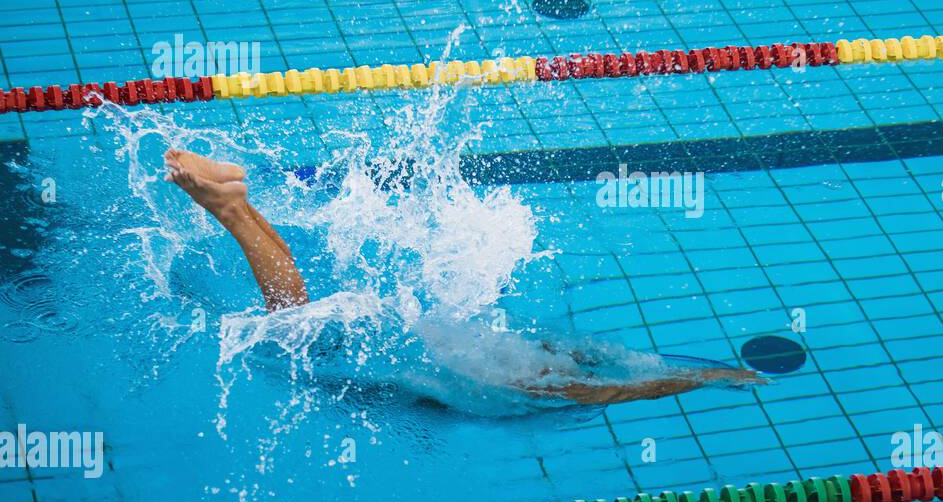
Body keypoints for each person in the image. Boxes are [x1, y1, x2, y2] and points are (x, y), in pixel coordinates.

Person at [163, 149, 763, 404]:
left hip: (413, 329)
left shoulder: (544, 351)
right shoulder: (544, 389)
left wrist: (704, 373)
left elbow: (624, 370)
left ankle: (236, 199)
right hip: (393, 345)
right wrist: (708, 378)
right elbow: (628, 388)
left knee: (299, 318)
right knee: (292, 327)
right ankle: (234, 209)